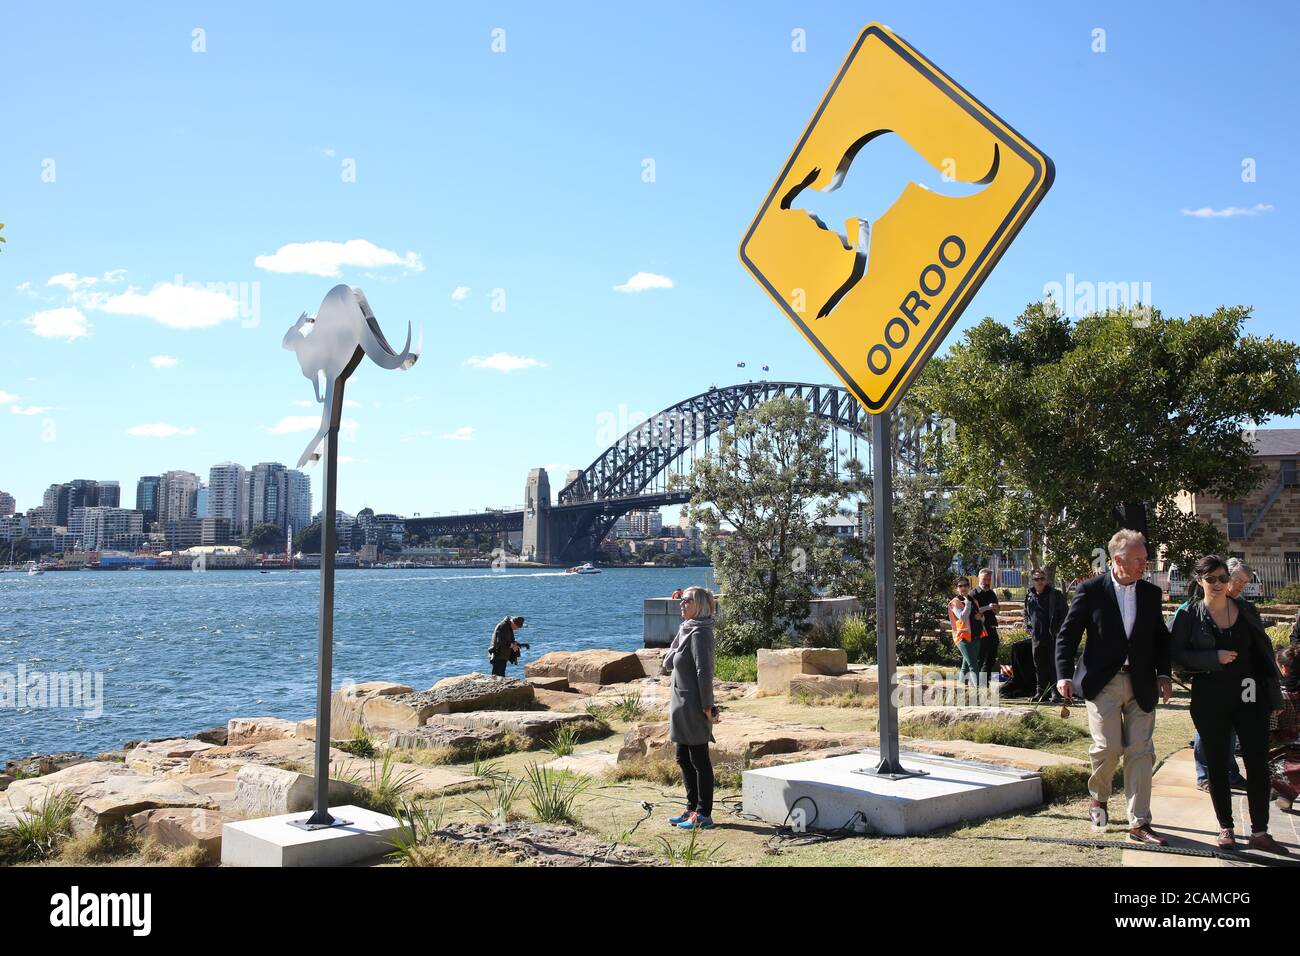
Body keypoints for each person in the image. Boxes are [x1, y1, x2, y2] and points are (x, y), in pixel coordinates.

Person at [1057, 529, 1172, 845]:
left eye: (1146, 559)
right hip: (1102, 682)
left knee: (1140, 750)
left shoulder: (1150, 593)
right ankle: (1099, 797)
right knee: (1108, 748)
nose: (1144, 565)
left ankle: (1140, 822)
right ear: (1118, 559)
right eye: (1139, 559)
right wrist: (1064, 675)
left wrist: (1164, 674)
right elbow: (1067, 636)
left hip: (1142, 682)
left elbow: (1161, 638)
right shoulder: (1091, 590)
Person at [1171, 555, 1288, 853]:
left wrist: (1274, 698)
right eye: (1212, 579)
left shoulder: (1246, 610)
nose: (1220, 584)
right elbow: (1177, 658)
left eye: (1223, 578)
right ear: (1199, 581)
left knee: (1258, 764)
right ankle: (1226, 828)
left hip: (1250, 695)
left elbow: (1264, 656)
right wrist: (1213, 658)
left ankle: (1260, 831)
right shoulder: (1189, 615)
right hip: (1211, 696)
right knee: (1219, 765)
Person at [1183, 560, 1251, 792]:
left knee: (1230, 727)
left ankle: (1229, 772)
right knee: (1208, 728)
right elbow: (1178, 651)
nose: (1241, 586)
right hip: (1209, 681)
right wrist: (1213, 658)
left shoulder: (1241, 608)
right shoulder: (1194, 609)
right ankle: (1204, 775)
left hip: (1236, 682)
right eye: (1239, 581)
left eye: (1246, 583)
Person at [661, 586, 718, 831]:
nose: (681, 603)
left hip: (694, 705)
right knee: (683, 758)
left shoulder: (700, 633)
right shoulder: (686, 629)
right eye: (680, 599)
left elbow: (703, 673)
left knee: (699, 760)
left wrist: (708, 706)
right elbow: (670, 663)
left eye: (686, 600)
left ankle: (704, 814)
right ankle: (692, 808)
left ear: (700, 605)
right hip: (680, 705)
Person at [1024, 568, 1066, 701]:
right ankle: (1041, 692)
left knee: (1053, 665)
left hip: (1053, 636)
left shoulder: (1055, 595)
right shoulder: (1029, 596)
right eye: (1036, 579)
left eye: (1042, 578)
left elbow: (1065, 615)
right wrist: (1029, 629)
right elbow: (1026, 614)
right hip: (1037, 637)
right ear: (1032, 581)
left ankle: (1055, 692)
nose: (1040, 581)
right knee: (1039, 665)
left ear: (1046, 580)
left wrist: (1059, 631)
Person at [1270, 645, 1300, 811]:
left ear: (1284, 668)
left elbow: (1271, 725)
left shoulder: (1278, 694)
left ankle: (1284, 792)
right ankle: (1284, 793)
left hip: (1284, 745)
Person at [948, 576, 985, 689]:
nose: (963, 588)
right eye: (960, 586)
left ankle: (961, 690)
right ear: (956, 589)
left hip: (976, 636)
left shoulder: (973, 600)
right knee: (973, 665)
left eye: (965, 585)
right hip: (963, 637)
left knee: (966, 666)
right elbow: (962, 618)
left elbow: (980, 618)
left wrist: (981, 617)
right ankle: (978, 691)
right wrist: (967, 604)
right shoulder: (955, 602)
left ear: (969, 587)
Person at [970, 568, 1001, 685]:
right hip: (979, 629)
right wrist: (988, 607)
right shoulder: (974, 594)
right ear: (979, 578)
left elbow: (996, 611)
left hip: (992, 627)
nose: (986, 582)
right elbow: (974, 612)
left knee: (992, 656)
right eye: (984, 579)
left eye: (988, 579)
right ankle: (975, 682)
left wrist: (996, 609)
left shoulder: (991, 593)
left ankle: (984, 680)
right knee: (980, 656)